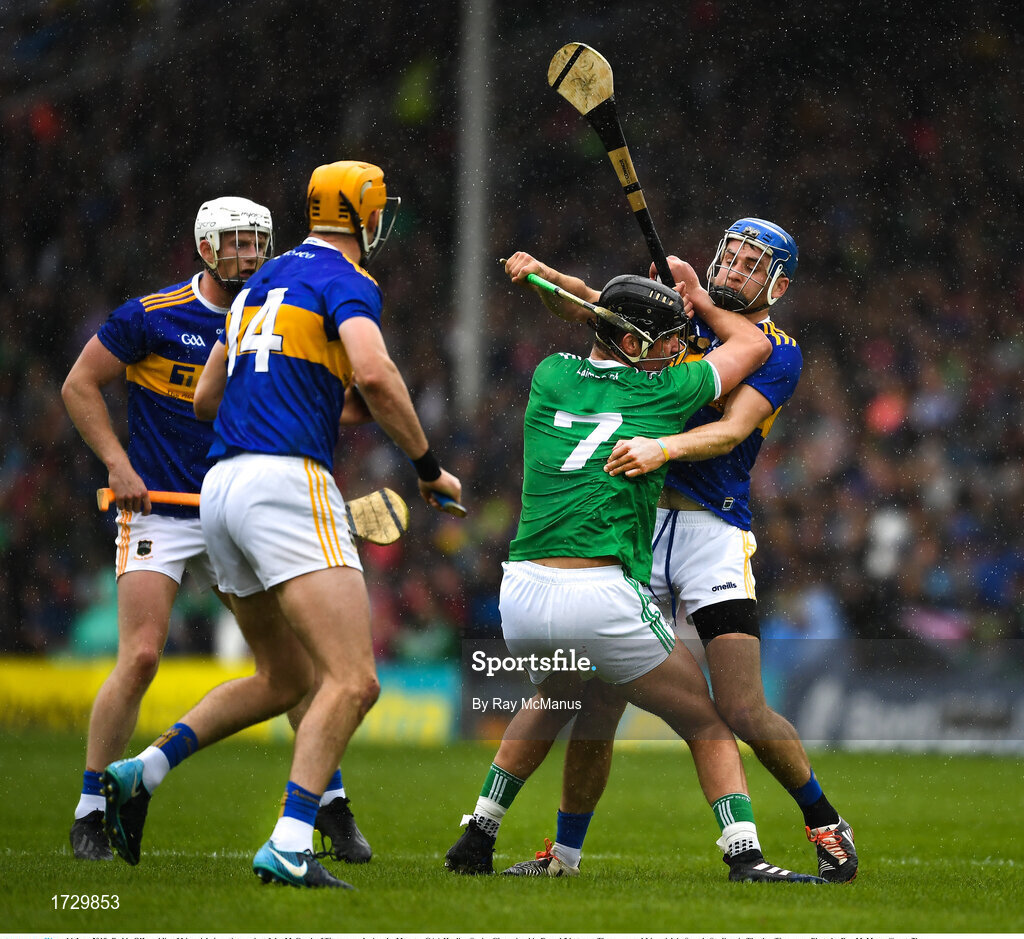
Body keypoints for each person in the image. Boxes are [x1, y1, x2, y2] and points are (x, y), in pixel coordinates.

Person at [450, 220, 858, 884]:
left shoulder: (778, 350)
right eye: (733, 254)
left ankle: (823, 819)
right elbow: (599, 306)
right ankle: (565, 851)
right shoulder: (681, 307)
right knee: (593, 700)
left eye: (755, 265)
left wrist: (664, 442)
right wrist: (550, 272)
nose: (737, 267)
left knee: (740, 705)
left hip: (710, 531)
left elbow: (730, 432)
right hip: (634, 524)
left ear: (778, 284)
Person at [100, 160, 462, 889]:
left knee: (284, 676)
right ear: (365, 215)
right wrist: (428, 467)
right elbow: (378, 374)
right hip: (284, 476)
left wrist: (308, 394)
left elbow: (207, 399)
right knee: (354, 679)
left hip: (220, 486)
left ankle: (144, 769)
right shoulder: (347, 281)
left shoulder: (260, 283)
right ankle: (292, 840)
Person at [64, 197, 371, 867]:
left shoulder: (270, 306)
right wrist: (119, 464)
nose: (248, 255)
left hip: (231, 506)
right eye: (234, 243)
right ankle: (91, 806)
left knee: (294, 662)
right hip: (160, 511)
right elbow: (79, 383)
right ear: (205, 248)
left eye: (257, 242)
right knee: (142, 655)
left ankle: (330, 803)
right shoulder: (150, 316)